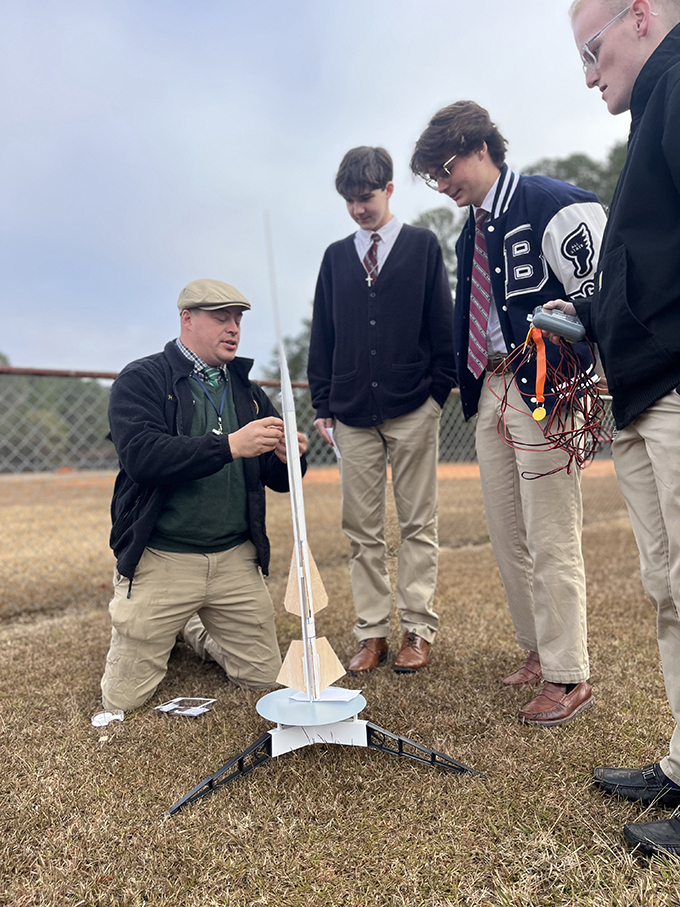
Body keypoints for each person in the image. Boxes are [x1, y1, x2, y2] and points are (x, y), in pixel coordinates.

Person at [410, 102, 607, 726]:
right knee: (506, 531)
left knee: (551, 532)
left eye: (444, 171)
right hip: (491, 384)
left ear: (478, 147)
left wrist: (584, 361)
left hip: (544, 382)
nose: (443, 187)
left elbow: (600, 291)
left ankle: (568, 673)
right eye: (433, 180)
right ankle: (536, 649)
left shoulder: (551, 201)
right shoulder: (472, 228)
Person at [544, 0, 680, 855]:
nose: (589, 75)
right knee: (669, 591)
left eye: (592, 52)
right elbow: (649, 265)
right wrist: (587, 311)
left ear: (640, 15)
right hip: (642, 392)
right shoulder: (654, 106)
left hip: (673, 389)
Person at [99, 278, 307, 713]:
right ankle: (171, 619)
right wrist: (230, 444)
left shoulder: (247, 391)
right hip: (163, 557)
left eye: (237, 319)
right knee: (123, 700)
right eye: (221, 317)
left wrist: (290, 458)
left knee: (264, 681)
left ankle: (189, 627)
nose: (233, 328)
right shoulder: (142, 379)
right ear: (187, 319)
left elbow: (276, 477)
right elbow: (142, 457)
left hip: (234, 560)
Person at [307, 146, 455, 675]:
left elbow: (443, 325)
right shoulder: (334, 257)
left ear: (389, 189)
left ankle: (418, 628)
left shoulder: (421, 247)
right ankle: (371, 634)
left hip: (415, 407)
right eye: (349, 201)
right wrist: (321, 402)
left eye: (365, 198)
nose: (357, 210)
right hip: (350, 412)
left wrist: (438, 395)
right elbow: (323, 332)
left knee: (419, 523)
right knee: (360, 530)